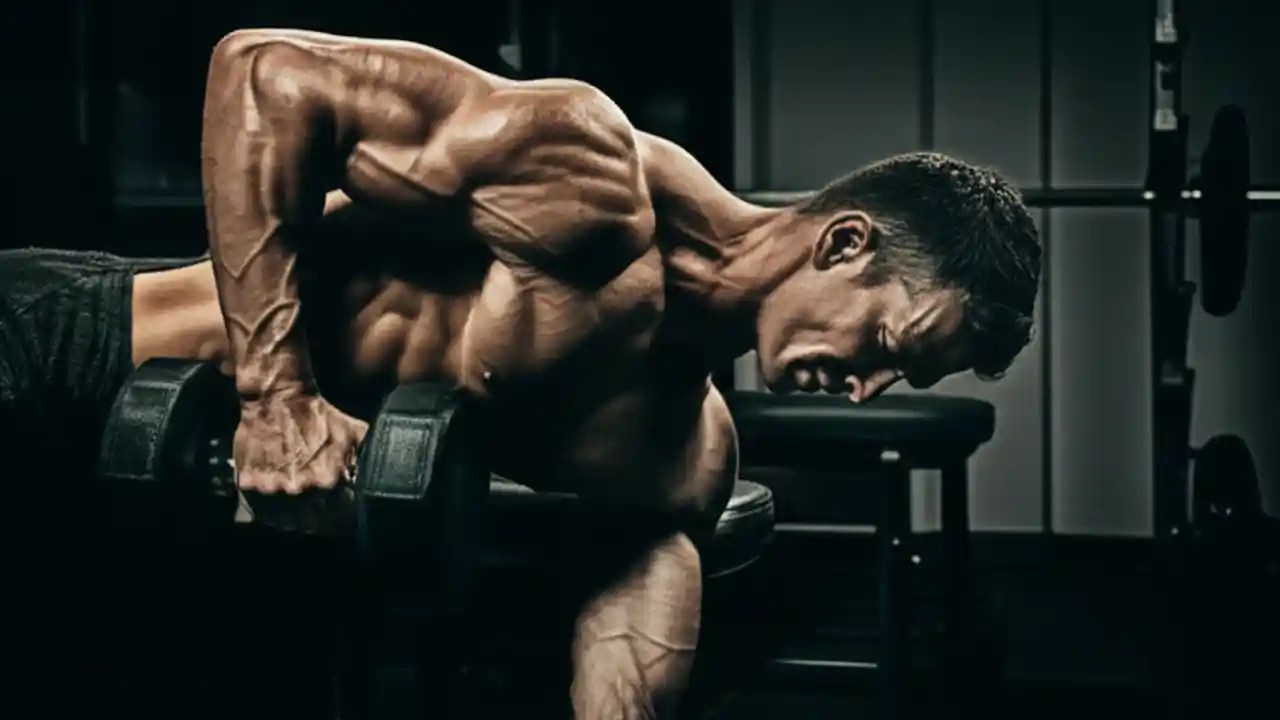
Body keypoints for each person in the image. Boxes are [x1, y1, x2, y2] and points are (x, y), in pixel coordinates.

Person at [0, 29, 1041, 717]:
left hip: (186, 538)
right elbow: (264, 72)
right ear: (844, 243)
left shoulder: (686, 447)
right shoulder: (588, 179)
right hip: (67, 355)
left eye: (893, 383)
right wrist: (279, 399)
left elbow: (634, 594)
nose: (864, 388)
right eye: (888, 349)